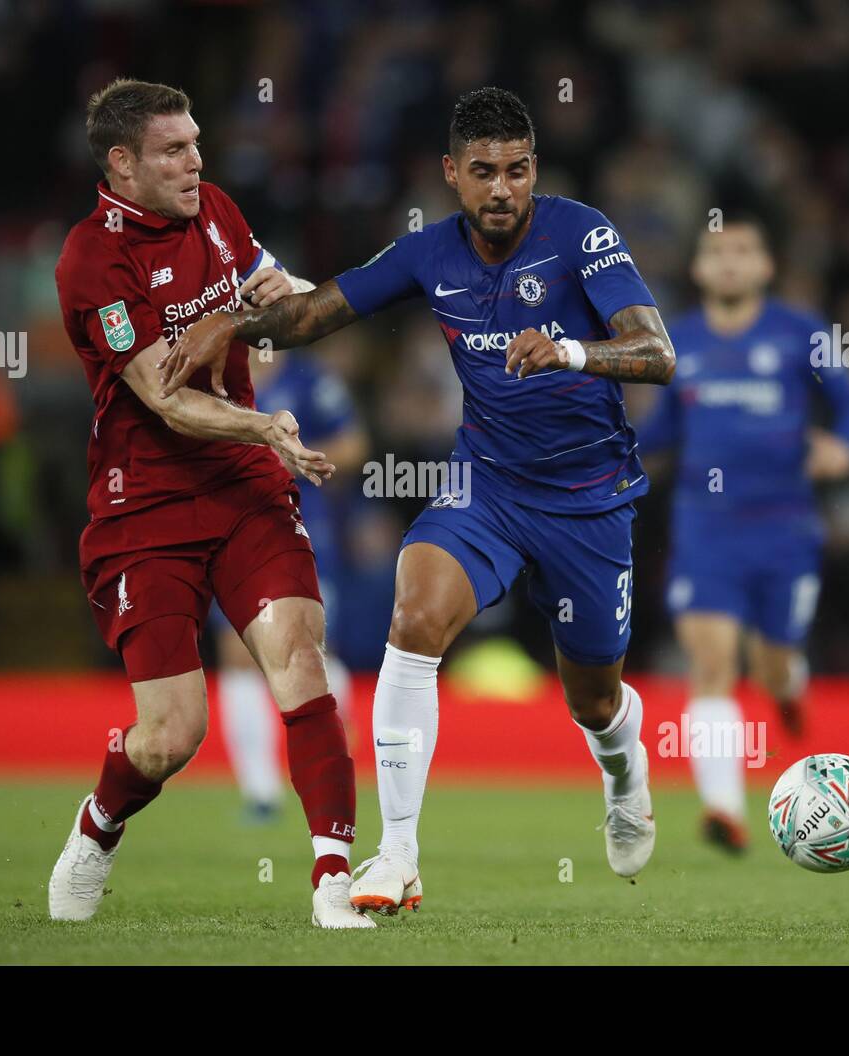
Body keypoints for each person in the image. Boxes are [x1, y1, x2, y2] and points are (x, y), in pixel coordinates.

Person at [157, 87, 677, 914]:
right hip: (489, 487)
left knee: (595, 697)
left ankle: (624, 774)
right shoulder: (427, 254)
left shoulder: (583, 234)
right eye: (482, 173)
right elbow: (314, 312)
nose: (500, 188)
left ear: (533, 170)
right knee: (414, 618)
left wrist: (571, 350)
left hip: (590, 501)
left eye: (515, 171)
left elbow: (658, 353)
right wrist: (230, 326)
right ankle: (397, 854)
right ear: (451, 175)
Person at [51, 78, 371, 928]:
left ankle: (333, 881)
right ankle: (98, 825)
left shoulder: (218, 212)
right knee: (169, 737)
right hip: (143, 508)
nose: (197, 161)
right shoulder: (92, 260)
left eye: (196, 143)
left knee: (300, 659)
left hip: (242, 487)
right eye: (173, 150)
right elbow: (164, 395)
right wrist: (263, 416)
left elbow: (278, 288)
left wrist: (294, 299)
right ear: (122, 164)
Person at [638, 217, 849, 852]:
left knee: (770, 664)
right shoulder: (676, 343)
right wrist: (608, 451)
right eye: (717, 252)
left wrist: (843, 448)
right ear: (699, 270)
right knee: (712, 663)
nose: (730, 263)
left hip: (786, 530)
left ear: (766, 267)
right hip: (706, 531)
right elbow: (660, 434)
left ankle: (789, 686)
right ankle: (725, 808)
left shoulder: (801, 334)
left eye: (743, 252)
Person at [214, 349, 367, 822]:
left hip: (304, 523)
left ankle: (333, 768)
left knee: (310, 649)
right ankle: (260, 792)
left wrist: (294, 459)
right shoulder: (215, 376)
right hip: (232, 525)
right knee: (238, 650)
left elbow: (354, 445)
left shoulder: (310, 377)